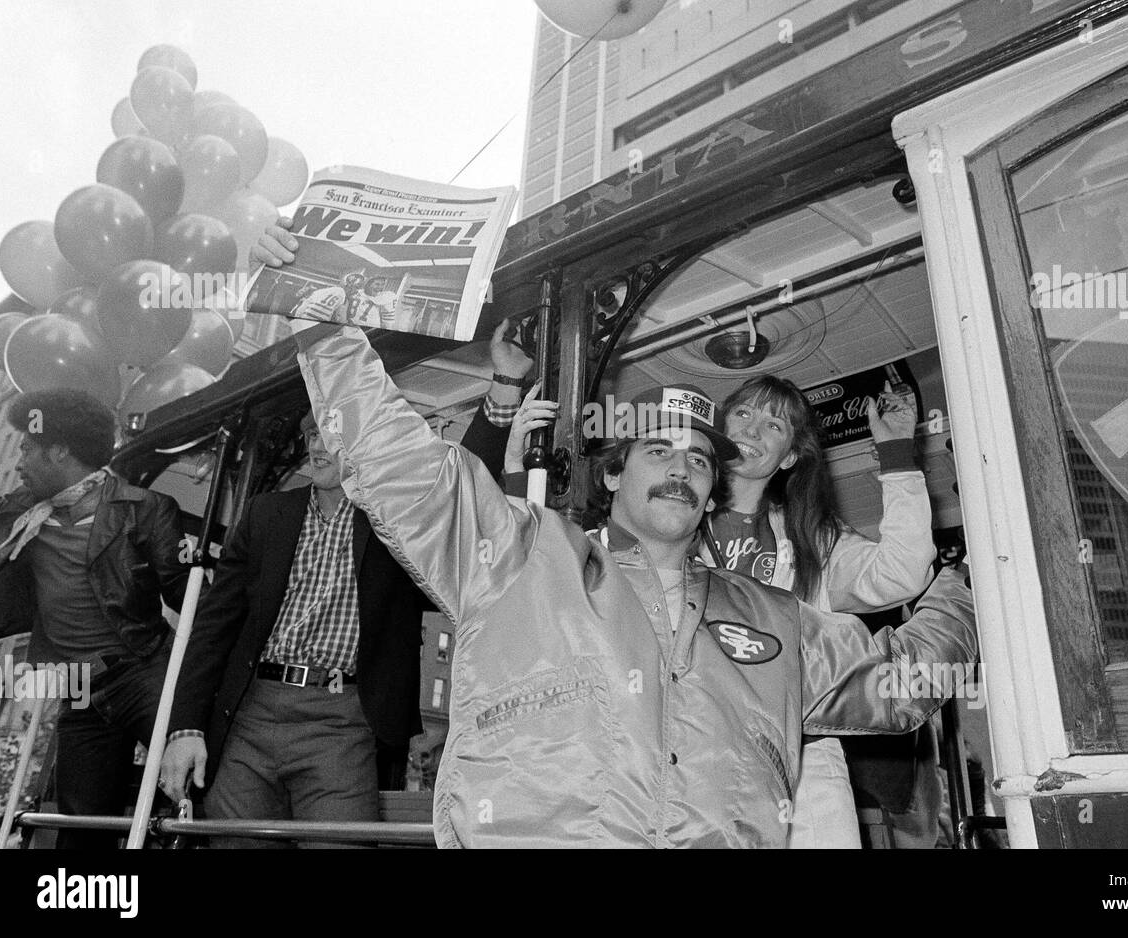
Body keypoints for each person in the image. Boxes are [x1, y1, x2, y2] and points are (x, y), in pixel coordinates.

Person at [253, 220, 977, 848]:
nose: (681, 468)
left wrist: (968, 584)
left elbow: (898, 686)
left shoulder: (773, 618)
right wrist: (318, 320)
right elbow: (397, 462)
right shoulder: (523, 560)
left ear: (711, 487)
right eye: (659, 450)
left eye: (698, 458)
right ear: (612, 475)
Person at [158, 321, 531, 847]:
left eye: (329, 435)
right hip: (251, 710)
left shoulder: (396, 518)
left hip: (344, 721)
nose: (315, 446)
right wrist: (185, 728)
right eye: (311, 433)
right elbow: (212, 630)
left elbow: (458, 494)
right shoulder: (267, 514)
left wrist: (505, 385)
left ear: (358, 446)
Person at [707, 376, 938, 848]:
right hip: (699, 748)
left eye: (774, 424)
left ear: (790, 456)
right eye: (743, 414)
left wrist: (895, 453)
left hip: (805, 756)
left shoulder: (815, 539)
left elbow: (903, 571)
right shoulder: (675, 519)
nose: (753, 430)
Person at [0, 390, 190, 848]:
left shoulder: (143, 509)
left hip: (142, 673)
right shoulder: (19, 513)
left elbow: (192, 597)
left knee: (194, 783)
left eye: (26, 449)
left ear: (59, 451)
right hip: (78, 688)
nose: (18, 461)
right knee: (81, 828)